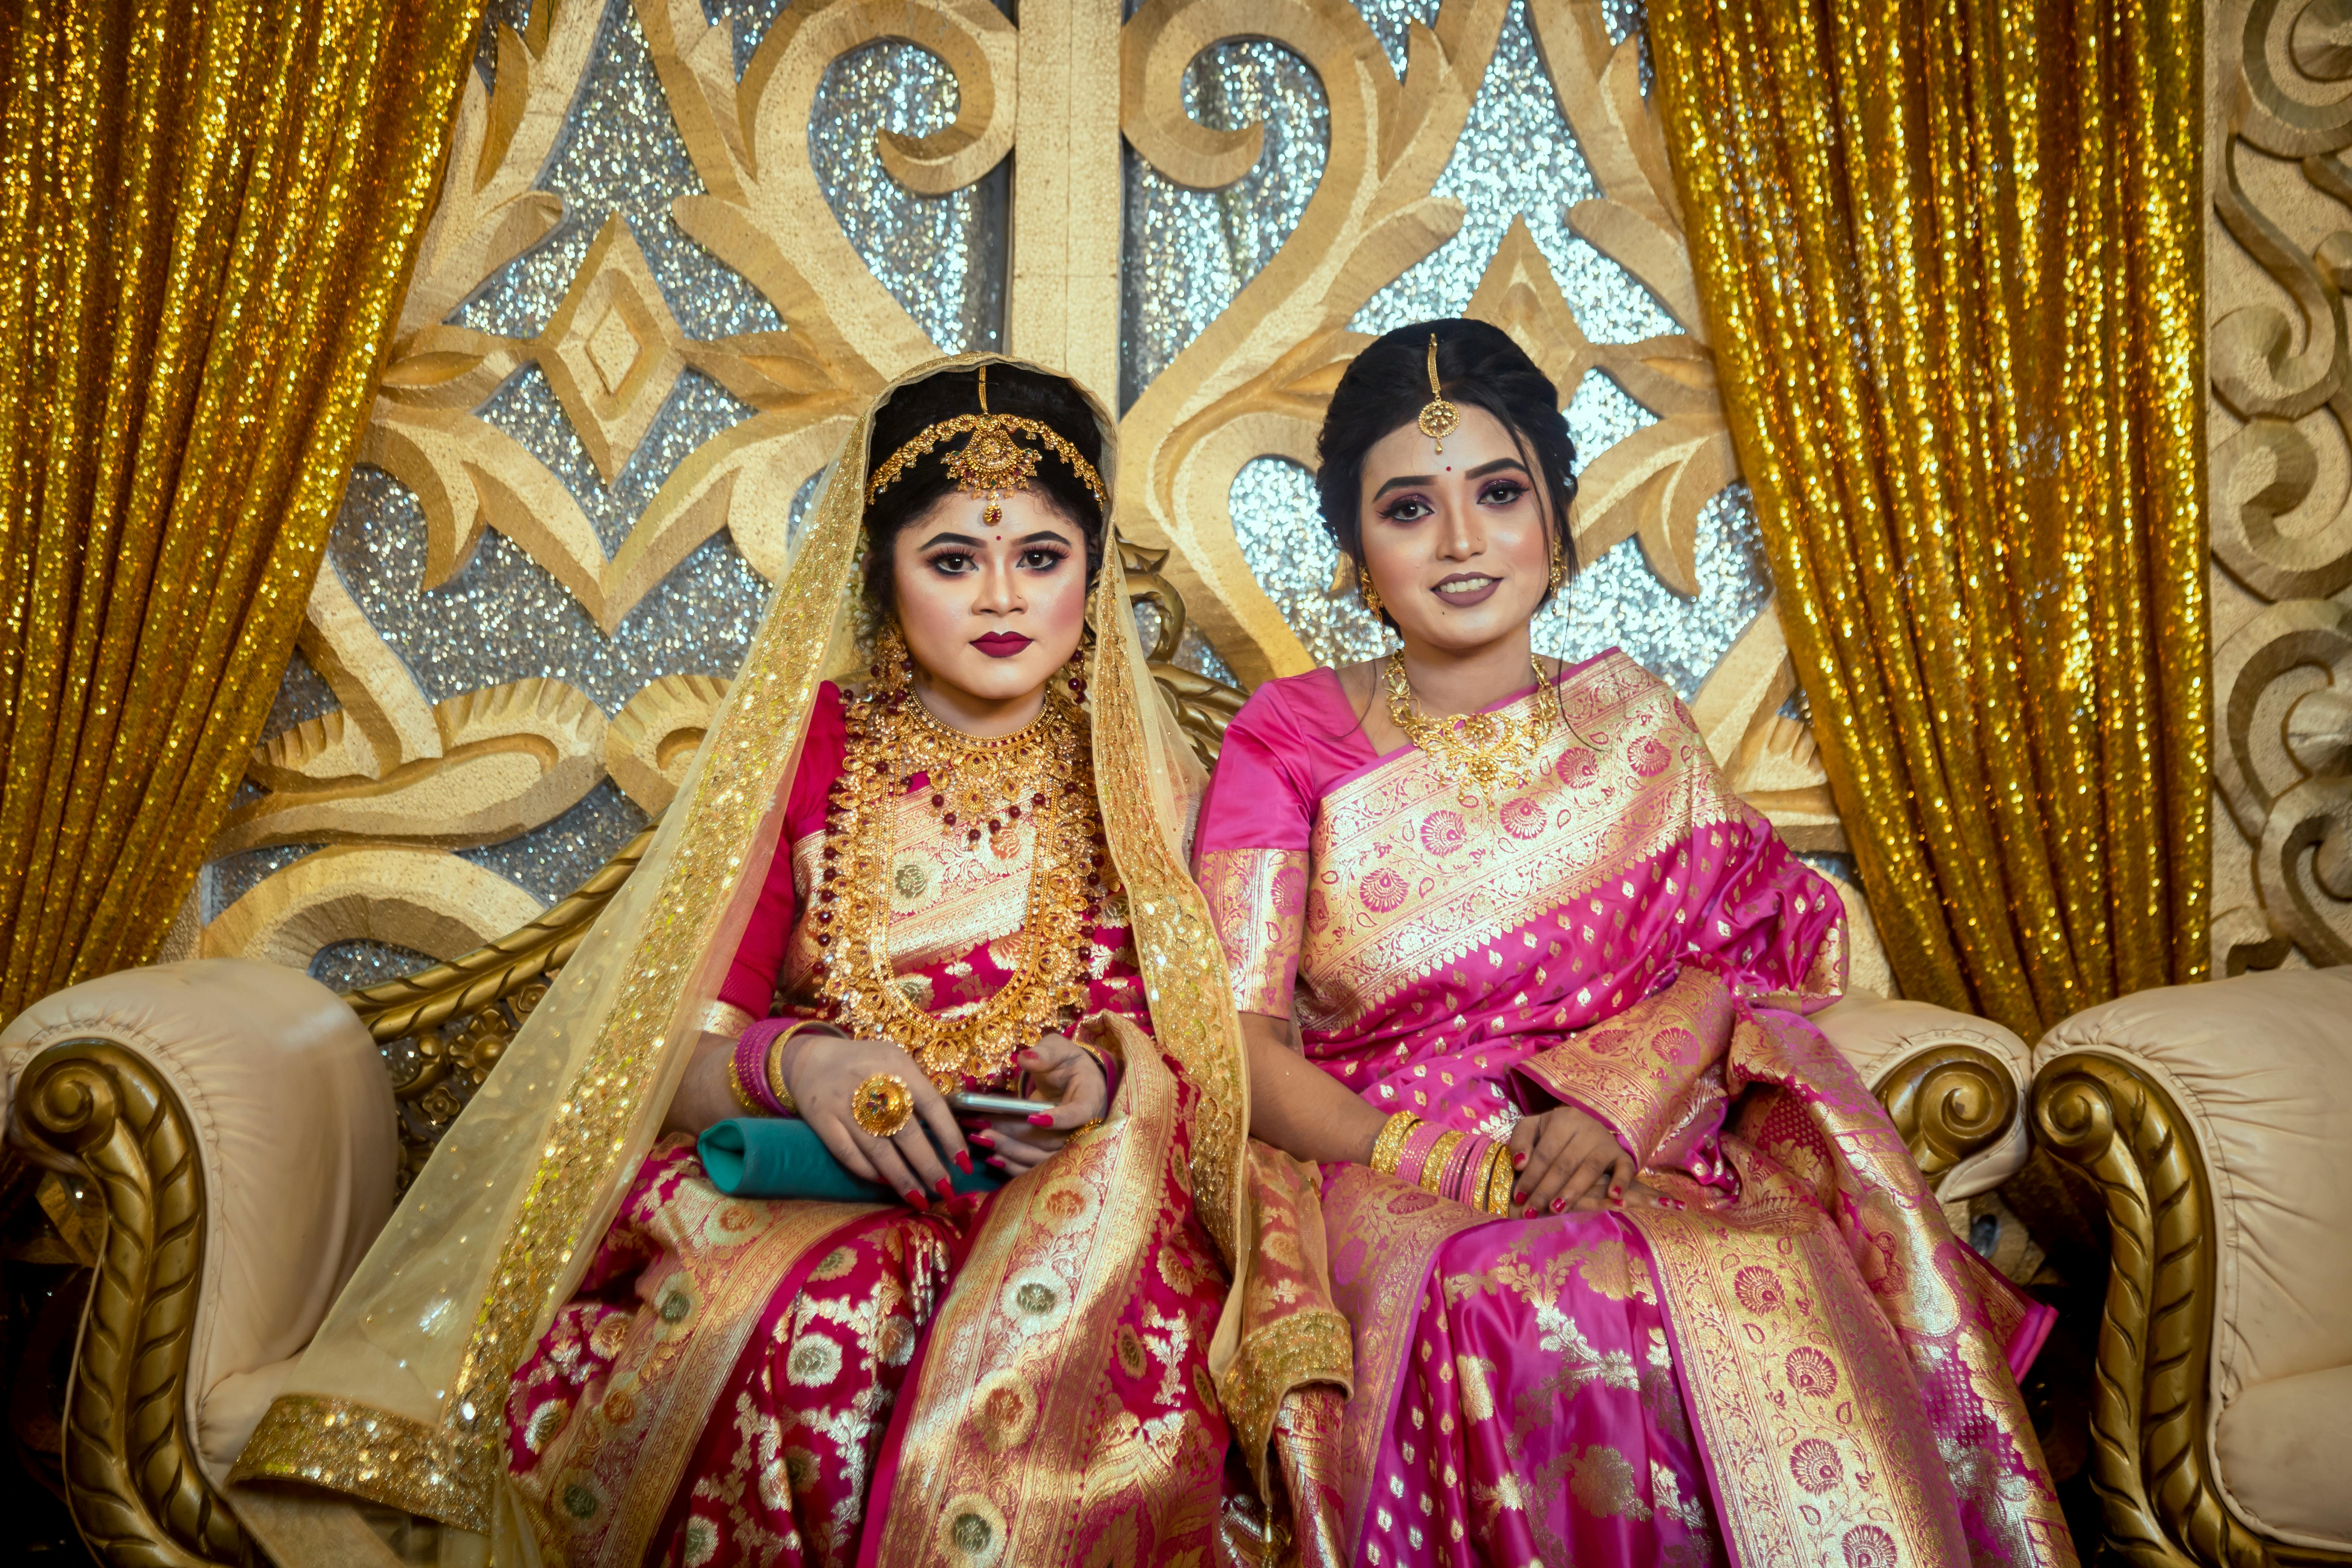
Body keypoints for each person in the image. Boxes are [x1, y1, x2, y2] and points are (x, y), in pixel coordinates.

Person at [233, 357, 1319, 1567]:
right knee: (814, 1311)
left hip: (1075, 1209)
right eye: (954, 559)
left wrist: (1105, 1088)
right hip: (816, 1187)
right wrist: (802, 1063)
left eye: (1042, 557)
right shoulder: (807, 750)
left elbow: (1221, 1062)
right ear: (881, 575)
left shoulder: (1152, 782)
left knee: (937, 1319)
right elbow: (671, 1061)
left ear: (1092, 571)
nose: (1002, 597)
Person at [1193, 320, 2076, 1566]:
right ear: (1354, 549)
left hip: (1639, 1138)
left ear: (1555, 520)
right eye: (1408, 508)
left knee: (1754, 1279)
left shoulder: (1637, 725)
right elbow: (1238, 1039)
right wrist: (1442, 1164)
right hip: (1382, 1157)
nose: (1460, 542)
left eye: (1499, 495)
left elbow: (1760, 951)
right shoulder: (1288, 739)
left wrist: (1613, 1107)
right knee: (1525, 1297)